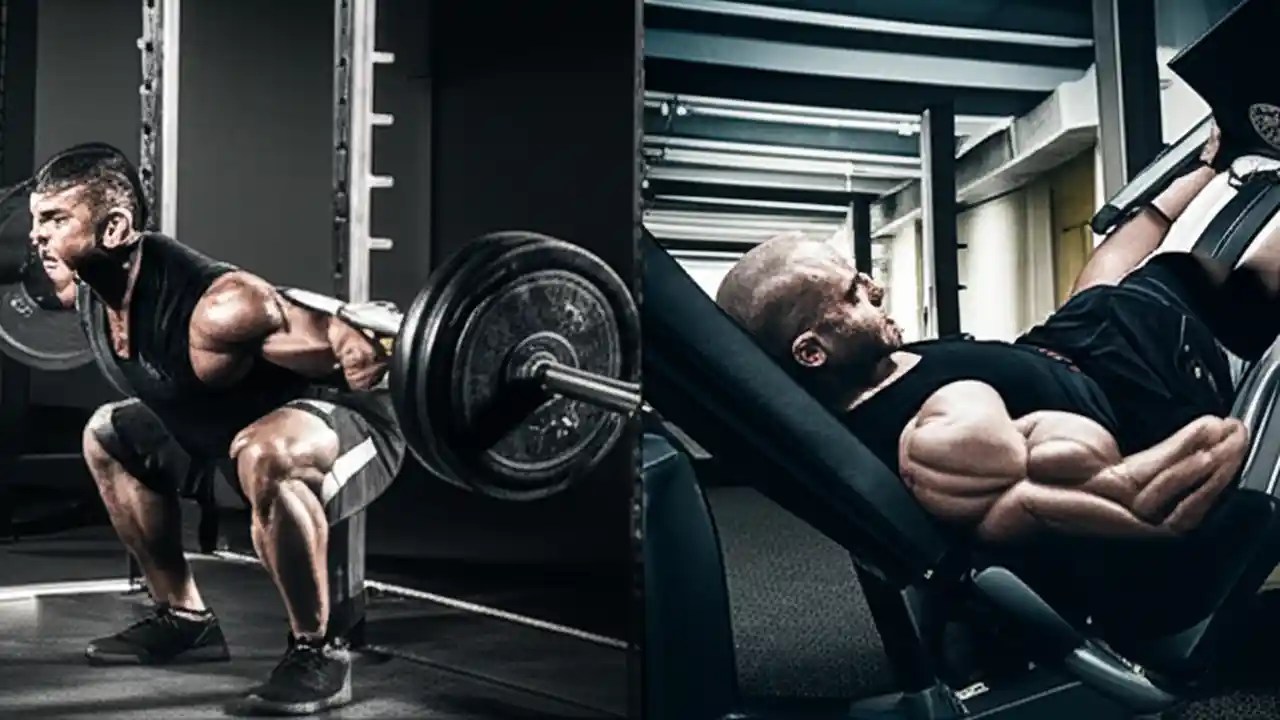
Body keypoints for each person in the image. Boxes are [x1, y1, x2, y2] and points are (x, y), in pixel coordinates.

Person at [714, 123, 1274, 544]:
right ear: (812, 352)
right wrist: (1213, 452)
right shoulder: (934, 433)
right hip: (1146, 367)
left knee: (1109, 268)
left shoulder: (883, 370)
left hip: (1080, 337)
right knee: (1218, 274)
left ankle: (1214, 159)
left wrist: (1206, 168)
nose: (876, 291)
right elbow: (1118, 496)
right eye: (852, 295)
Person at [28, 144, 406, 715]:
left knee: (265, 453)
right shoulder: (84, 284)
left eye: (54, 221)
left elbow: (336, 343)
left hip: (347, 427)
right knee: (109, 433)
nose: (37, 237)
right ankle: (184, 619)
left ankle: (318, 652)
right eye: (36, 220)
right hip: (224, 431)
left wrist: (365, 338)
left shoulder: (221, 307)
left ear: (114, 229)